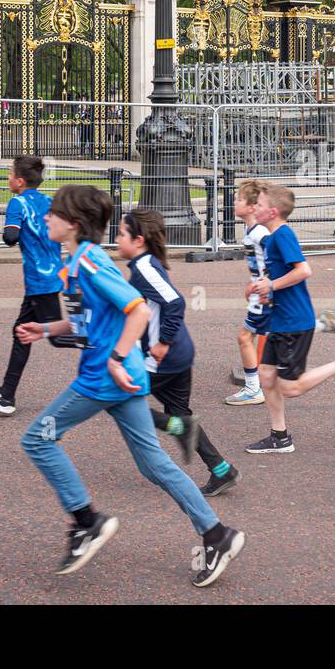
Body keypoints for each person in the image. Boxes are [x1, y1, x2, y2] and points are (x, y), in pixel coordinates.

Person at [16, 184, 245, 586]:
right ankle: (216, 534)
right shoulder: (77, 263)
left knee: (38, 438)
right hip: (123, 380)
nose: (45, 218)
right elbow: (88, 325)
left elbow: (137, 311)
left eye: (51, 213)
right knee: (153, 463)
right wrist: (46, 328)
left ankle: (86, 521)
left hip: (104, 379)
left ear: (73, 224)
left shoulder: (88, 264)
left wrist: (118, 358)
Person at [244, 182, 335, 455]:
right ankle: (279, 436)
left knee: (290, 388)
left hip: (295, 321)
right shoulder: (272, 239)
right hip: (280, 319)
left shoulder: (283, 235)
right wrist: (264, 286)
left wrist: (271, 286)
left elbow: (303, 270)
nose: (254, 208)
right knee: (267, 375)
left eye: (258, 205)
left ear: (272, 212)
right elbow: (282, 275)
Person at [123, 207, 239, 497]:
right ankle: (222, 470)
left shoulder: (145, 269)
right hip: (179, 354)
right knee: (180, 413)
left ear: (139, 239)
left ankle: (176, 428)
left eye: (122, 232)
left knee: (117, 400)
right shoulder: (146, 264)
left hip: (163, 358)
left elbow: (175, 303)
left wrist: (162, 341)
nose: (116, 236)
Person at [225, 178, 335, 406]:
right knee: (267, 342)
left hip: (269, 297)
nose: (234, 202)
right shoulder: (263, 232)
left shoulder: (268, 234)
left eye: (239, 199)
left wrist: (266, 285)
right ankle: (321, 326)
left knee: (249, 338)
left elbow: (297, 268)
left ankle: (253, 388)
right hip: (268, 295)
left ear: (258, 208)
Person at [0, 156, 62, 416]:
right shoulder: (49, 201)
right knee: (22, 332)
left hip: (39, 280)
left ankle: (114, 345)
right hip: (53, 274)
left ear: (20, 182)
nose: (8, 179)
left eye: (10, 175)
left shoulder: (17, 203)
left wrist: (14, 232)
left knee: (60, 337)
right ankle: (6, 394)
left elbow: (10, 237)